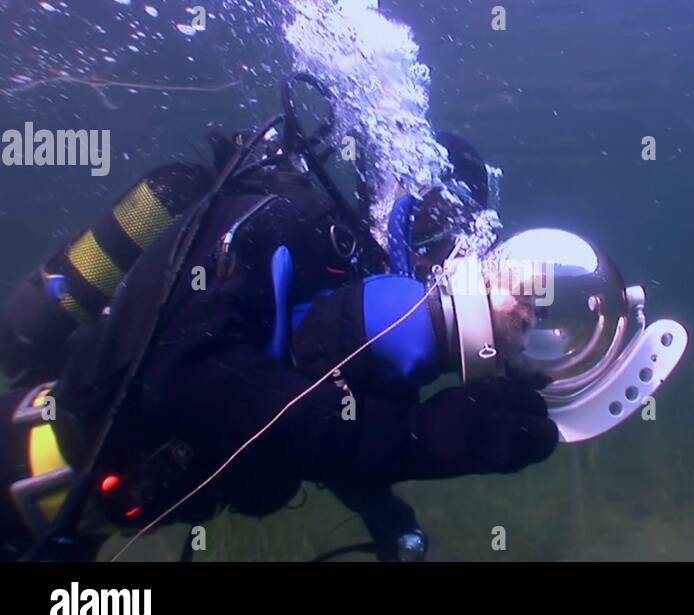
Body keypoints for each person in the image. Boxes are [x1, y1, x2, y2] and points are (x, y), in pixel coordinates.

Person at [0, 77, 559, 561]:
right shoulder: (274, 218)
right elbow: (188, 382)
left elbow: (310, 408)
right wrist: (413, 439)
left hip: (75, 523)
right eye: (438, 233)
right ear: (396, 204)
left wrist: (379, 505)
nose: (443, 265)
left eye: (461, 247)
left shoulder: (343, 282)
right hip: (21, 477)